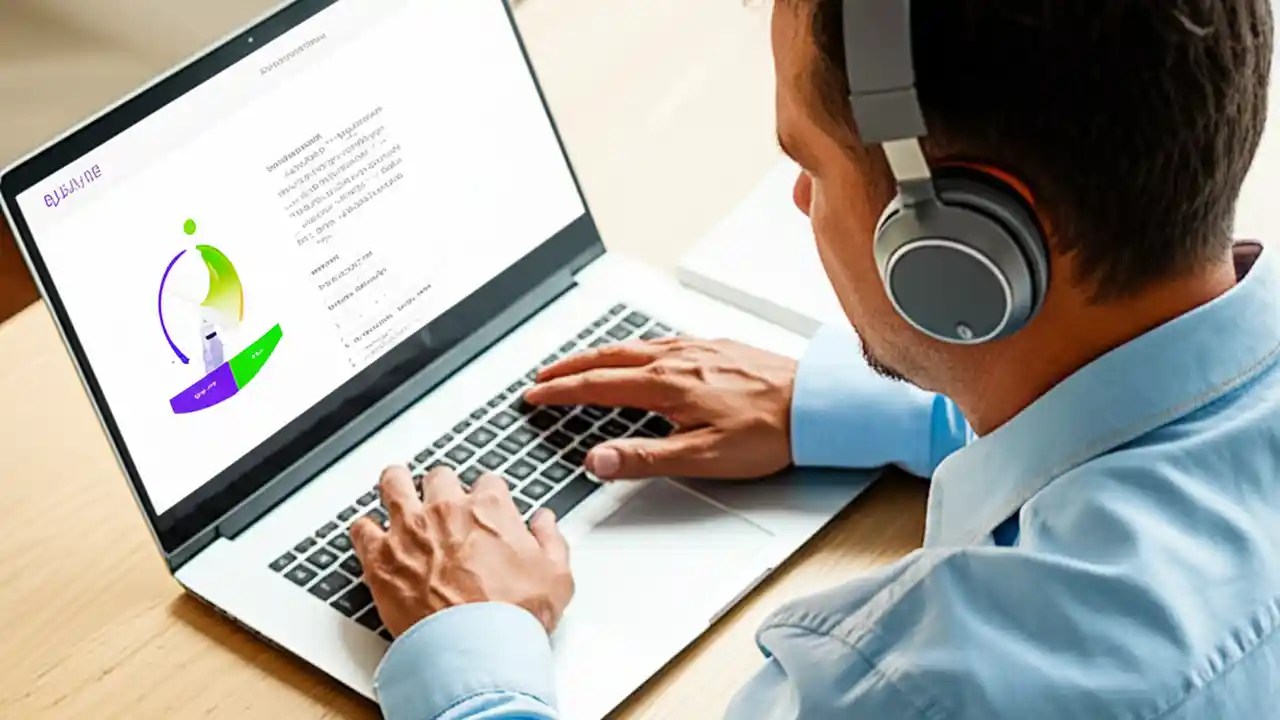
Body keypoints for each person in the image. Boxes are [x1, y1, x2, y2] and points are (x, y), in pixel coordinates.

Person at [349, 0, 1280, 716]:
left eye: (812, 161)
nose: (800, 199)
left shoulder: (918, 689)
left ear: (959, 252)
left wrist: (472, 657)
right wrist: (862, 402)